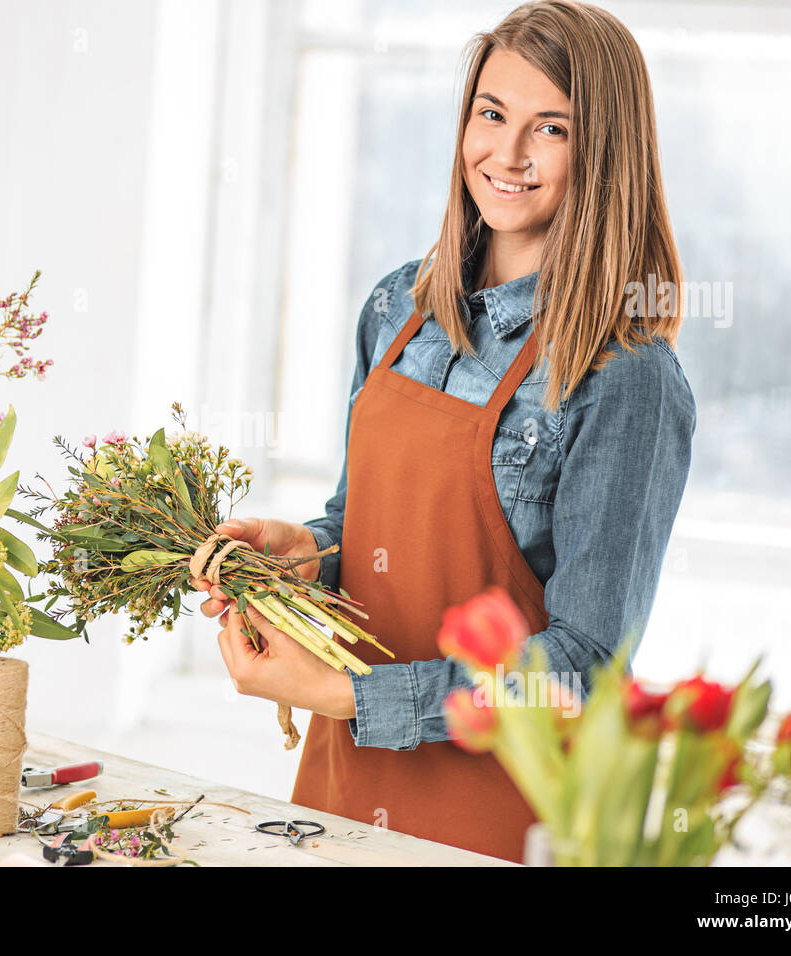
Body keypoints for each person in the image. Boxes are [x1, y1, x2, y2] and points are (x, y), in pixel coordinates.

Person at [193, 0, 696, 864]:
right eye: (492, 114)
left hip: (501, 820)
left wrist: (352, 693)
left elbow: (582, 667)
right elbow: (368, 532)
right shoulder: (400, 308)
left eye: (552, 130)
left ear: (605, 155)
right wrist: (303, 554)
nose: (506, 154)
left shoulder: (626, 376)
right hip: (339, 793)